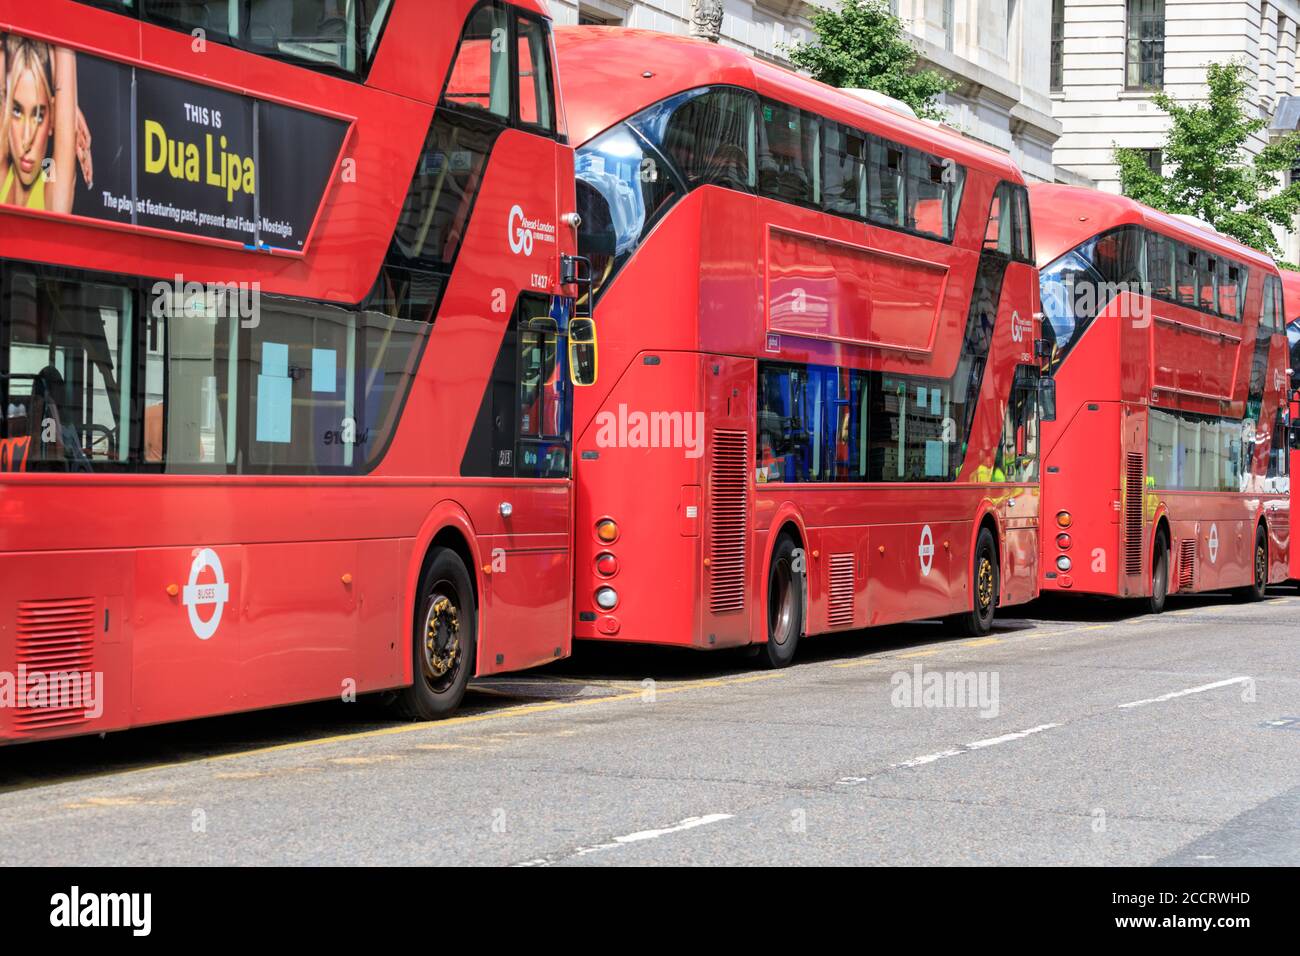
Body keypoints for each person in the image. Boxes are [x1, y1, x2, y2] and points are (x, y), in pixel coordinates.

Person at [0, 35, 93, 213]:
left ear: (51, 120)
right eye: (17, 111)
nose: (27, 139)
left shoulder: (51, 191)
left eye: (39, 116)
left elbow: (65, 38)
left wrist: (67, 108)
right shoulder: (4, 172)